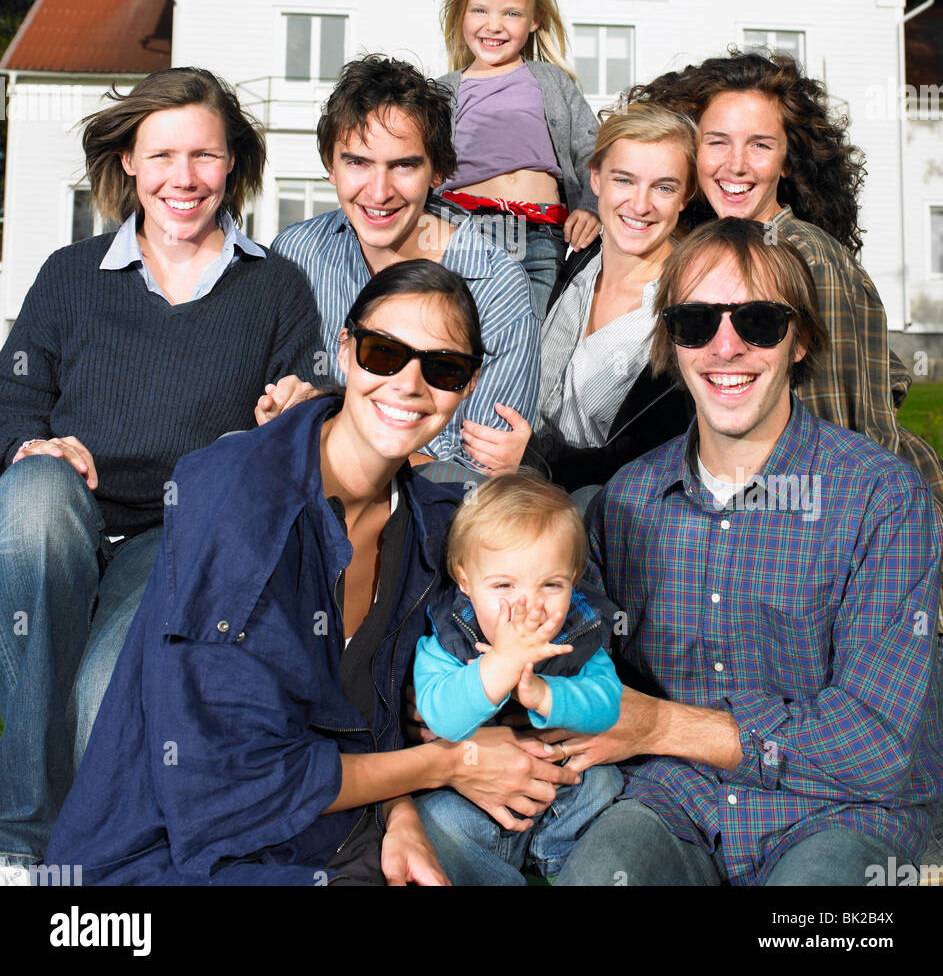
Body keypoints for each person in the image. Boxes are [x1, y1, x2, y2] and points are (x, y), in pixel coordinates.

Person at [44, 262, 584, 886]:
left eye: (442, 368)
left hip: (331, 839)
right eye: (385, 353)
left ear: (469, 384)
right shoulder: (235, 492)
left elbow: (369, 709)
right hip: (169, 855)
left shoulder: (433, 527)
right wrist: (448, 763)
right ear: (347, 351)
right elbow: (234, 777)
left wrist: (398, 812)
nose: (409, 385)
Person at [545, 218, 943, 887]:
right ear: (670, 344)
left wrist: (661, 726)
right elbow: (588, 674)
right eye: (695, 321)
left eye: (757, 320)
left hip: (843, 814)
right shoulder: (626, 501)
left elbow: (875, 745)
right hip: (676, 802)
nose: (725, 346)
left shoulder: (883, 499)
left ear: (799, 341)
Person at [0, 67, 322, 883]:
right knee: (33, 496)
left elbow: (302, 436)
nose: (184, 178)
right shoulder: (69, 275)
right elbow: (14, 398)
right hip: (64, 514)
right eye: (163, 155)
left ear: (234, 165)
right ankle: (19, 843)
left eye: (205, 156)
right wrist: (34, 448)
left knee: (105, 687)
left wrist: (288, 414)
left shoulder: (275, 287)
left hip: (178, 530)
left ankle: (80, 861)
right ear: (131, 165)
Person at [624, 50, 943, 545]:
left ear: (788, 161)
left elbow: (843, 431)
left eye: (760, 145)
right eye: (717, 142)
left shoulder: (805, 258)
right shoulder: (716, 251)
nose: (735, 164)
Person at [269, 55, 540, 482]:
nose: (379, 192)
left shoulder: (495, 283)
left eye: (404, 165)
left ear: (438, 171)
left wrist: (323, 435)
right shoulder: (297, 252)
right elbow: (277, 415)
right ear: (330, 166)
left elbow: (474, 474)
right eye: (357, 162)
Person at [411, 471, 623, 884]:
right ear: (465, 580)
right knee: (434, 821)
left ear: (574, 578)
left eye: (550, 584)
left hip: (561, 793)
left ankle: (559, 863)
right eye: (504, 585)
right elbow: (441, 717)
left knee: (605, 782)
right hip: (477, 806)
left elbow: (607, 704)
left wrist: (545, 693)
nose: (529, 606)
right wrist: (500, 665)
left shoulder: (578, 631)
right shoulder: (450, 634)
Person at [530, 104, 697, 500]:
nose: (640, 206)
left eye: (664, 187)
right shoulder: (572, 265)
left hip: (615, 520)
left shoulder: (690, 309)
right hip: (525, 498)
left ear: (685, 197)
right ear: (596, 179)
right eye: (624, 180)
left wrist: (528, 457)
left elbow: (654, 456)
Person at [437, 0, 601, 318]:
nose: (493, 25)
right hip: (466, 231)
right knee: (467, 339)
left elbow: (596, 154)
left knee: (529, 343)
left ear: (535, 19)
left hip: (541, 238)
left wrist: (592, 210)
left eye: (511, 13)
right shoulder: (443, 91)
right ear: (462, 12)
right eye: (480, 10)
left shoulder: (552, 82)